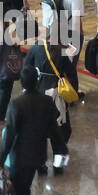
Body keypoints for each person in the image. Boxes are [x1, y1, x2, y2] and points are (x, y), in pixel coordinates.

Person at [0, 65, 59, 195]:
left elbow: (9, 134)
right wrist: (60, 150)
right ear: (37, 81)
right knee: (24, 187)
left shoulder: (16, 104)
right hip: (38, 154)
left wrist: (1, 158)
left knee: (19, 190)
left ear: (21, 82)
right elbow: (53, 128)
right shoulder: (46, 101)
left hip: (20, 156)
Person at [25, 34, 72, 169]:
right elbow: (71, 73)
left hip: (38, 93)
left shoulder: (36, 47)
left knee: (39, 131)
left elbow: (26, 68)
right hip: (57, 96)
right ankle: (59, 166)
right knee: (61, 132)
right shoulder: (62, 51)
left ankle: (40, 165)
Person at [40, 0, 84, 89]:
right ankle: (69, 92)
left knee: (58, 61)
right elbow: (76, 19)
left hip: (58, 31)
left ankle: (59, 88)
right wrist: (79, 37)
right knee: (69, 64)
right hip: (70, 33)